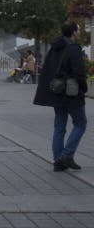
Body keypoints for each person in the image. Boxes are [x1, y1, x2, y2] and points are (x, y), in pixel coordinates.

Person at [34, 21, 88, 171]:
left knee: (59, 127)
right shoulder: (73, 48)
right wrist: (84, 88)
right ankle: (67, 155)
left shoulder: (55, 47)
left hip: (57, 92)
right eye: (78, 30)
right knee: (81, 123)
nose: (79, 32)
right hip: (71, 93)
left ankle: (58, 161)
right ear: (74, 32)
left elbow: (48, 69)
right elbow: (79, 72)